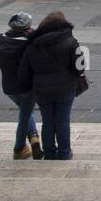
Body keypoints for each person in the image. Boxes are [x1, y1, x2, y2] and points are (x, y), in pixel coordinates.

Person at [17, 11, 84, 160]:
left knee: (47, 121)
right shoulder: (71, 42)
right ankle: (65, 153)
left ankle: (49, 153)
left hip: (42, 91)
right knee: (63, 120)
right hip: (65, 89)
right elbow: (80, 67)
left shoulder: (33, 44)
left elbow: (24, 71)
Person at [0, 12, 42, 161]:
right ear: (27, 28)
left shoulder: (2, 40)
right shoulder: (28, 44)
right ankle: (19, 148)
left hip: (8, 87)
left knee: (25, 112)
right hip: (26, 87)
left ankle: (33, 137)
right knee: (24, 117)